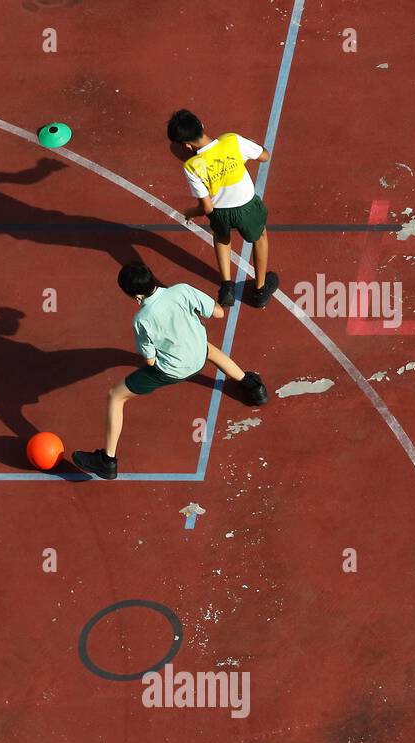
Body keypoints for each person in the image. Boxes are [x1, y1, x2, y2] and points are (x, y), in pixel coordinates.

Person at [72, 262, 268, 480]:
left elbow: (149, 360)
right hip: (199, 353)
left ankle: (107, 461)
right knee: (210, 350)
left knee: (115, 397)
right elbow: (219, 313)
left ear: (136, 296)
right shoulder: (182, 290)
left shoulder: (141, 319)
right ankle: (253, 387)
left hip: (173, 371)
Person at [168, 108, 279, 308]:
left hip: (220, 213)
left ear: (186, 145)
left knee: (221, 237)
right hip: (247, 206)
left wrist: (190, 213)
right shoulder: (231, 141)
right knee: (260, 237)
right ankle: (261, 290)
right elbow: (264, 156)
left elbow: (207, 207)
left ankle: (227, 287)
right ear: (201, 124)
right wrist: (248, 150)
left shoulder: (192, 166)